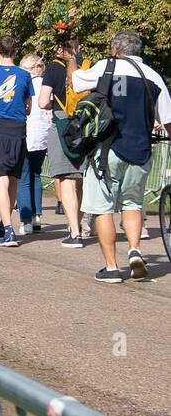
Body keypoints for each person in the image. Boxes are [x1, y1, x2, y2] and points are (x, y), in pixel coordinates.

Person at [71, 31, 171, 283]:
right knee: (133, 204)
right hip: (141, 151)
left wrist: (73, 56)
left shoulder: (108, 65)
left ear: (115, 49)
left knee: (103, 208)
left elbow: (76, 82)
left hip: (107, 148)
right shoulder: (154, 77)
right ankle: (135, 250)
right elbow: (168, 121)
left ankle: (112, 267)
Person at [0, 36, 33, 248]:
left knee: (0, 178)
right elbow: (29, 106)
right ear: (15, 51)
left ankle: (8, 228)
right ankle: (6, 221)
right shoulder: (25, 75)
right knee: (13, 178)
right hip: (18, 127)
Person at [39, 35, 90, 248]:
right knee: (79, 178)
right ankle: (79, 225)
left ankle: (75, 232)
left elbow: (43, 101)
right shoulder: (87, 66)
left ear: (60, 49)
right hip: (84, 124)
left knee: (66, 179)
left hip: (62, 122)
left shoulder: (53, 68)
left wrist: (55, 107)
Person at [18, 54, 50, 234]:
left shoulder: (24, 85)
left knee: (23, 177)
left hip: (26, 133)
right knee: (36, 174)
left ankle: (26, 220)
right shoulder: (47, 85)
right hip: (42, 135)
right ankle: (37, 216)